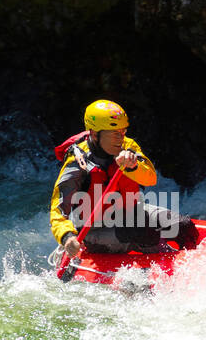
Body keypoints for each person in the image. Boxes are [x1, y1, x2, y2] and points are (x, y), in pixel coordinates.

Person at [50, 100, 198, 257]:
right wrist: (67, 236)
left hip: (132, 213)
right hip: (96, 230)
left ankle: (194, 260)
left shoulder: (129, 146)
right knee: (142, 231)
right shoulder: (77, 162)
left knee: (183, 226)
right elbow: (57, 210)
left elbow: (150, 179)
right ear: (94, 134)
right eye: (115, 133)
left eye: (123, 132)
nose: (121, 138)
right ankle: (163, 259)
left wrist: (133, 166)